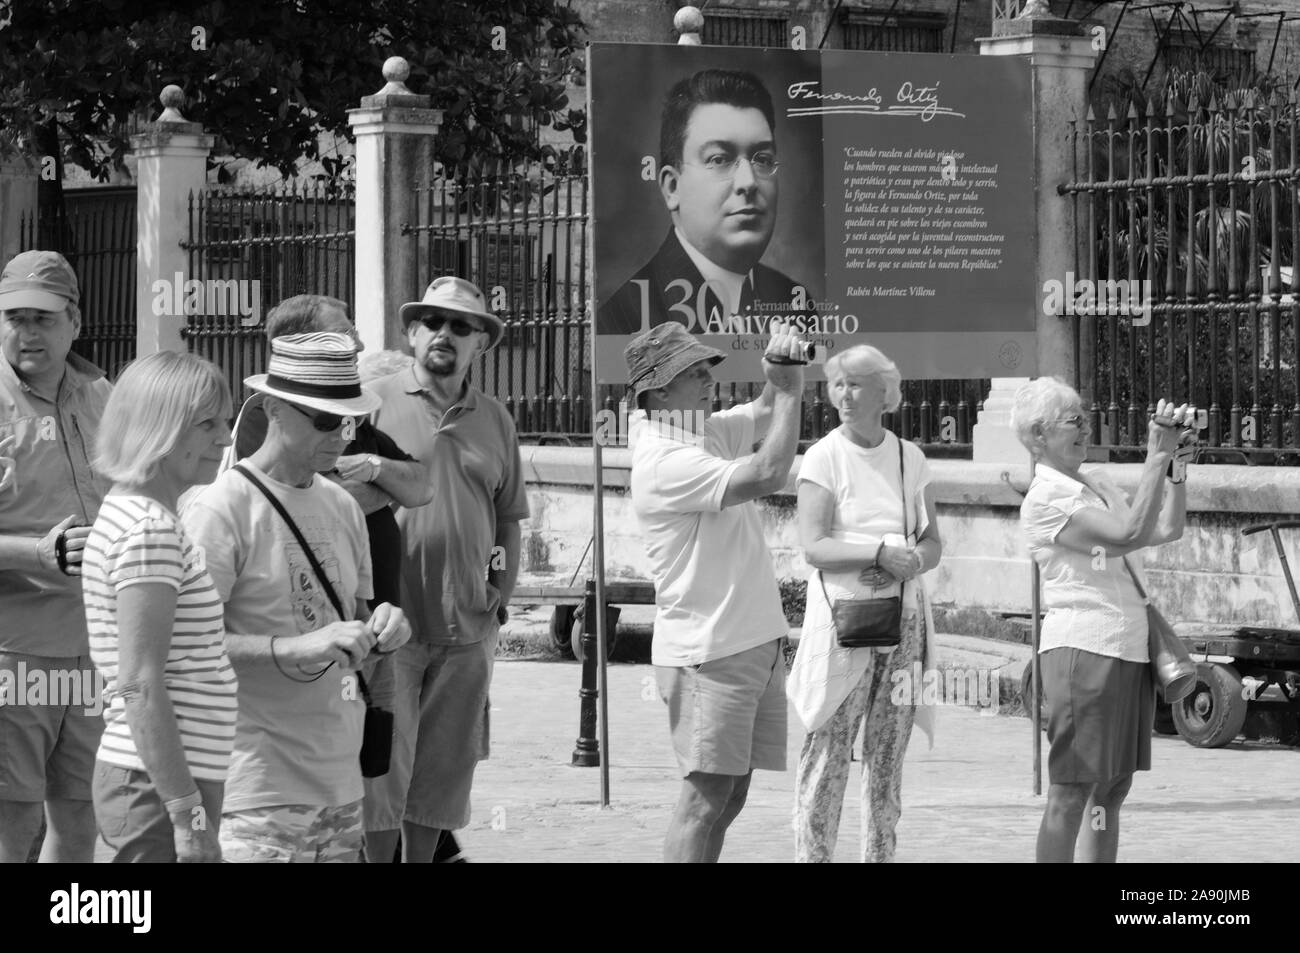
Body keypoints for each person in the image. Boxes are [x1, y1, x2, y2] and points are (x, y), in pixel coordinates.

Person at [181, 331, 411, 863]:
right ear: (274, 410)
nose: (345, 436)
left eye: (352, 420)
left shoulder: (343, 505)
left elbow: (353, 620)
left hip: (339, 780)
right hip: (255, 787)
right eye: (327, 420)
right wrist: (298, 648)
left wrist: (383, 627)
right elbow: (186, 649)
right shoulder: (220, 509)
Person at [626, 319, 806, 863]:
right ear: (658, 391)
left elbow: (766, 410)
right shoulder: (665, 458)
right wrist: (793, 387)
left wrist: (779, 370)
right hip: (711, 652)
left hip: (750, 644)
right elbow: (769, 471)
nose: (709, 380)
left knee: (730, 795)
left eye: (708, 369)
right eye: (694, 372)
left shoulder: (694, 429)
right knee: (704, 799)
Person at [365, 276, 527, 864]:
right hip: (389, 626)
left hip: (467, 630)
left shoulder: (496, 420)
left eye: (461, 325)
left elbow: (508, 519)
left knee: (442, 773)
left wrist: (500, 595)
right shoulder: (371, 399)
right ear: (411, 333)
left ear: (480, 342)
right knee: (382, 768)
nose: (445, 334)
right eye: (432, 321)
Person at [1012, 378, 1195, 863]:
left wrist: (1175, 467)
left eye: (1084, 418)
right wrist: (1156, 452)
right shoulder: (1044, 499)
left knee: (1111, 791)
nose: (1084, 429)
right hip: (1083, 650)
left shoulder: (1096, 482)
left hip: (1128, 646)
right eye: (1073, 421)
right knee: (1072, 792)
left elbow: (1163, 529)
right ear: (1037, 435)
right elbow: (1127, 531)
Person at [787, 344, 942, 863]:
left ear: (884, 391)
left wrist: (910, 559)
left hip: (902, 620)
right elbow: (814, 546)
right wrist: (876, 552)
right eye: (837, 384)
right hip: (841, 622)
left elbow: (932, 542)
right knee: (828, 754)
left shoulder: (909, 456)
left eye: (855, 384)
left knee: (887, 757)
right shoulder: (823, 456)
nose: (844, 395)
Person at [82, 351, 237, 862]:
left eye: (226, 420)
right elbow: (139, 682)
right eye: (207, 423)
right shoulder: (149, 529)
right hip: (158, 787)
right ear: (160, 430)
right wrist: (186, 814)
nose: (225, 437)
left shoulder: (137, 515)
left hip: (158, 782)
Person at [0, 250, 110, 863]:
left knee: (81, 817)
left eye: (43, 318)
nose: (28, 332)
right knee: (11, 828)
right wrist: (36, 554)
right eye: (15, 317)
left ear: (74, 321)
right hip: (13, 652)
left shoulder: (103, 397)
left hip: (95, 648)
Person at [219, 294, 431, 608]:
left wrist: (374, 468)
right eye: (345, 334)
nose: (358, 345)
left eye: (355, 333)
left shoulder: (349, 417)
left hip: (366, 626)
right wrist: (389, 489)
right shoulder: (262, 417)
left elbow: (421, 488)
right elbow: (306, 501)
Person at [599, 68, 815, 335]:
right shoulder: (621, 320)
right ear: (672, 187)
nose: (748, 182)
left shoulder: (794, 299)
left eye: (763, 159)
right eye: (719, 159)